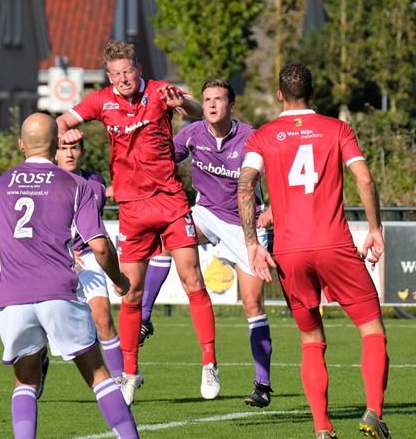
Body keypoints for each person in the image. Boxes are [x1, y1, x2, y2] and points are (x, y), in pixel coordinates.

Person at [56, 39, 219, 404]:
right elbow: (62, 120)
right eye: (116, 74)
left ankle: (209, 362)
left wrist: (184, 103)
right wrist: (64, 130)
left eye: (128, 71)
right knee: (131, 292)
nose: (123, 78)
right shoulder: (102, 101)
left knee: (192, 278)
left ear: (138, 70)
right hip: (133, 208)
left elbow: (197, 111)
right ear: (109, 76)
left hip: (170, 200)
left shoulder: (160, 91)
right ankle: (130, 373)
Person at [0, 113, 138, 438]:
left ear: (21, 145)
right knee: (98, 375)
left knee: (25, 381)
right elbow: (100, 246)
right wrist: (119, 279)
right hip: (58, 291)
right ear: (57, 144)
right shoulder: (76, 184)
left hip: (12, 299)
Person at [238, 63, 390, 439]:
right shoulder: (337, 129)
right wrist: (374, 229)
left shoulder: (263, 136)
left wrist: (252, 244)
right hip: (335, 244)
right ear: (313, 93)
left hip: (290, 252)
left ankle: (322, 429)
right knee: (371, 328)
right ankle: (374, 411)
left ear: (279, 95)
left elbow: (245, 186)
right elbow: (364, 178)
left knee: (311, 339)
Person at [137, 80, 276, 407]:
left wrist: (273, 210)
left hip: (246, 225)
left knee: (253, 304)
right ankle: (144, 318)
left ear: (231, 104)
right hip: (206, 214)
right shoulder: (193, 133)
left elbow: (281, 174)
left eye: (219, 99)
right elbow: (160, 161)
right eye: (208, 99)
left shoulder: (251, 137)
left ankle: (262, 385)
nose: (212, 104)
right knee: (165, 238)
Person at [51, 136, 123, 382]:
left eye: (74, 148)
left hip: (88, 257)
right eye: (63, 148)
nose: (69, 153)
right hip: (55, 258)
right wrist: (63, 251)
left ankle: (121, 381)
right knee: (51, 331)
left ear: (82, 151)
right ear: (54, 153)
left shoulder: (95, 182)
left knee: (102, 316)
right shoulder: (47, 183)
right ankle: (36, 369)